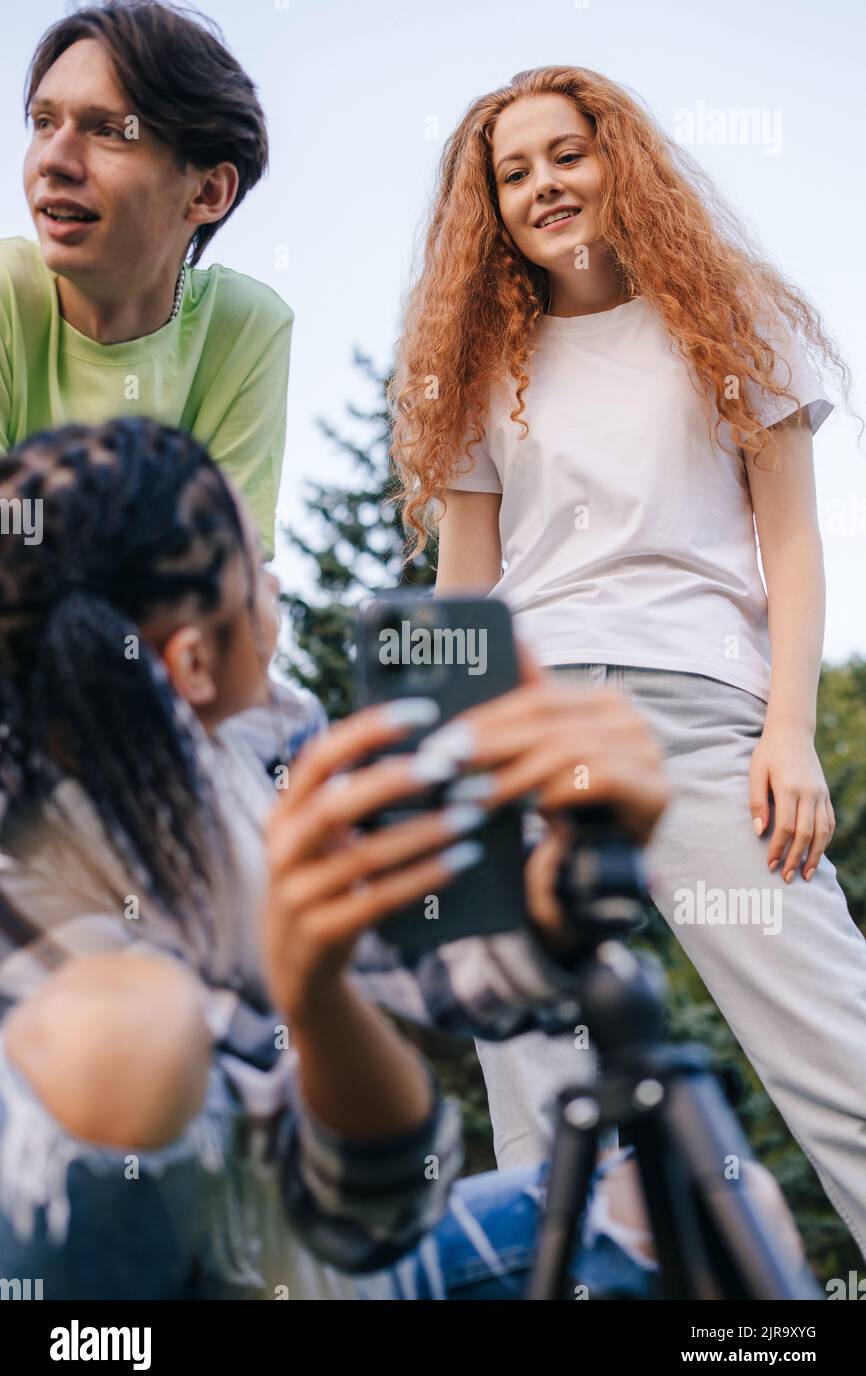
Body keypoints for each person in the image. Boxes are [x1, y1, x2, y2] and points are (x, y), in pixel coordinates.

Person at [0, 416, 699, 1300]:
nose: (277, 582)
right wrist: (317, 996)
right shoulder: (49, 903)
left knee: (669, 1201)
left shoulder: (264, 749)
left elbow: (433, 946)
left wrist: (565, 873)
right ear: (192, 664)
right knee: (127, 1033)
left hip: (332, 1258)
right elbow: (357, 1217)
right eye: (255, 567)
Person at [388, 64, 866, 1258]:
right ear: (487, 208)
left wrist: (788, 730)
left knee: (836, 1041)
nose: (542, 184)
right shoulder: (482, 362)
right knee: (537, 1096)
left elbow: (790, 540)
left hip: (701, 722)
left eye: (565, 153)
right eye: (511, 173)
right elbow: (464, 589)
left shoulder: (729, 314)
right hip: (526, 729)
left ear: (619, 160)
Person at [0, 0, 289, 558]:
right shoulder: (7, 292)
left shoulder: (246, 326)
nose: (52, 160)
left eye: (108, 131)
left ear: (207, 193)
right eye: (44, 123)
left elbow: (228, 584)